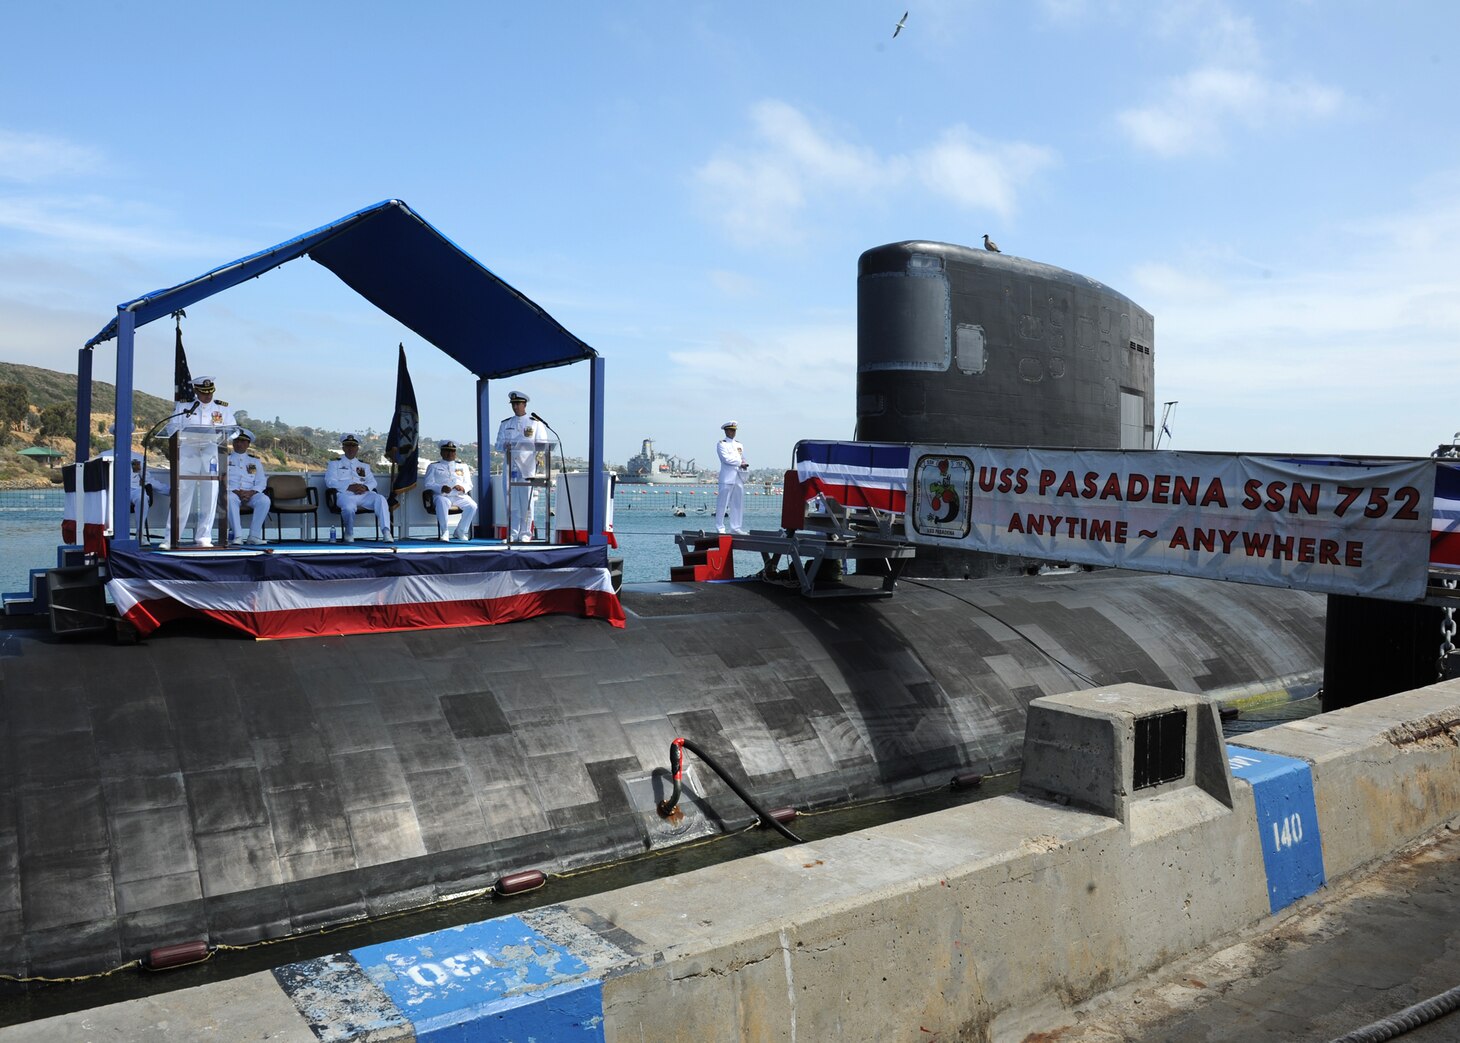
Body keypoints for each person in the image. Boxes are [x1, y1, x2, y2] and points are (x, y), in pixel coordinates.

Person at [164, 375, 235, 548]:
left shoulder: (222, 409)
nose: (207, 396)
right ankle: (171, 537)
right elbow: (171, 427)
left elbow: (234, 430)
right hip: (188, 451)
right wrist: (183, 434)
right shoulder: (185, 407)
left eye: (210, 392)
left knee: (209, 496)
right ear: (196, 391)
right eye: (204, 393)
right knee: (182, 495)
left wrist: (224, 435)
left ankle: (204, 537)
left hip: (211, 451)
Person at [494, 390, 553, 541]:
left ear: (524, 404)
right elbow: (498, 445)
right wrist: (505, 445)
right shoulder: (506, 424)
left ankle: (526, 533)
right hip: (510, 466)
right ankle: (512, 533)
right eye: (513, 404)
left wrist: (539, 457)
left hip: (526, 467)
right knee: (511, 502)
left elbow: (543, 444)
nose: (515, 407)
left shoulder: (535, 423)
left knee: (526, 503)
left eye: (518, 404)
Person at [325, 433, 393, 543]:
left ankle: (386, 532)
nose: (350, 449)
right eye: (348, 446)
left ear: (357, 448)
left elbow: (372, 482)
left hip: (363, 494)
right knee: (349, 507)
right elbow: (330, 481)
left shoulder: (364, 465)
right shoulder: (334, 464)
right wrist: (349, 486)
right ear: (343, 448)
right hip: (345, 495)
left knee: (380, 499)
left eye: (353, 446)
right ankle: (349, 532)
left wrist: (365, 487)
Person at [423, 440, 478, 541]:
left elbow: (469, 484)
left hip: (458, 496)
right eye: (447, 451)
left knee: (472, 506)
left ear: (455, 453)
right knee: (442, 502)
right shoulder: (433, 466)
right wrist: (441, 488)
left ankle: (460, 531)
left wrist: (463, 488)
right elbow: (428, 484)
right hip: (442, 495)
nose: (450, 454)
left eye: (452, 452)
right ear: (441, 453)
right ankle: (445, 531)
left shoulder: (463, 466)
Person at [225, 428, 271, 546]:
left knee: (264, 500)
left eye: (242, 441)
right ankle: (237, 535)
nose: (239, 443)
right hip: (233, 493)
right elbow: (222, 480)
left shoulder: (254, 461)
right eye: (236, 441)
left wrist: (251, 492)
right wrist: (236, 491)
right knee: (229, 499)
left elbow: (261, 481)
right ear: (233, 443)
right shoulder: (226, 459)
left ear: (248, 444)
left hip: (250, 494)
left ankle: (254, 536)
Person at [714, 421, 750, 535]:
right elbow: (726, 459)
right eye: (731, 430)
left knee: (737, 503)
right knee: (722, 503)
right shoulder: (721, 444)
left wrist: (744, 463)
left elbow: (742, 457)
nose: (733, 432)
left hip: (738, 476)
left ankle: (736, 527)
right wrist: (740, 463)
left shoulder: (739, 445)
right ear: (726, 431)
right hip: (727, 477)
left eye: (734, 430)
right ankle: (720, 528)